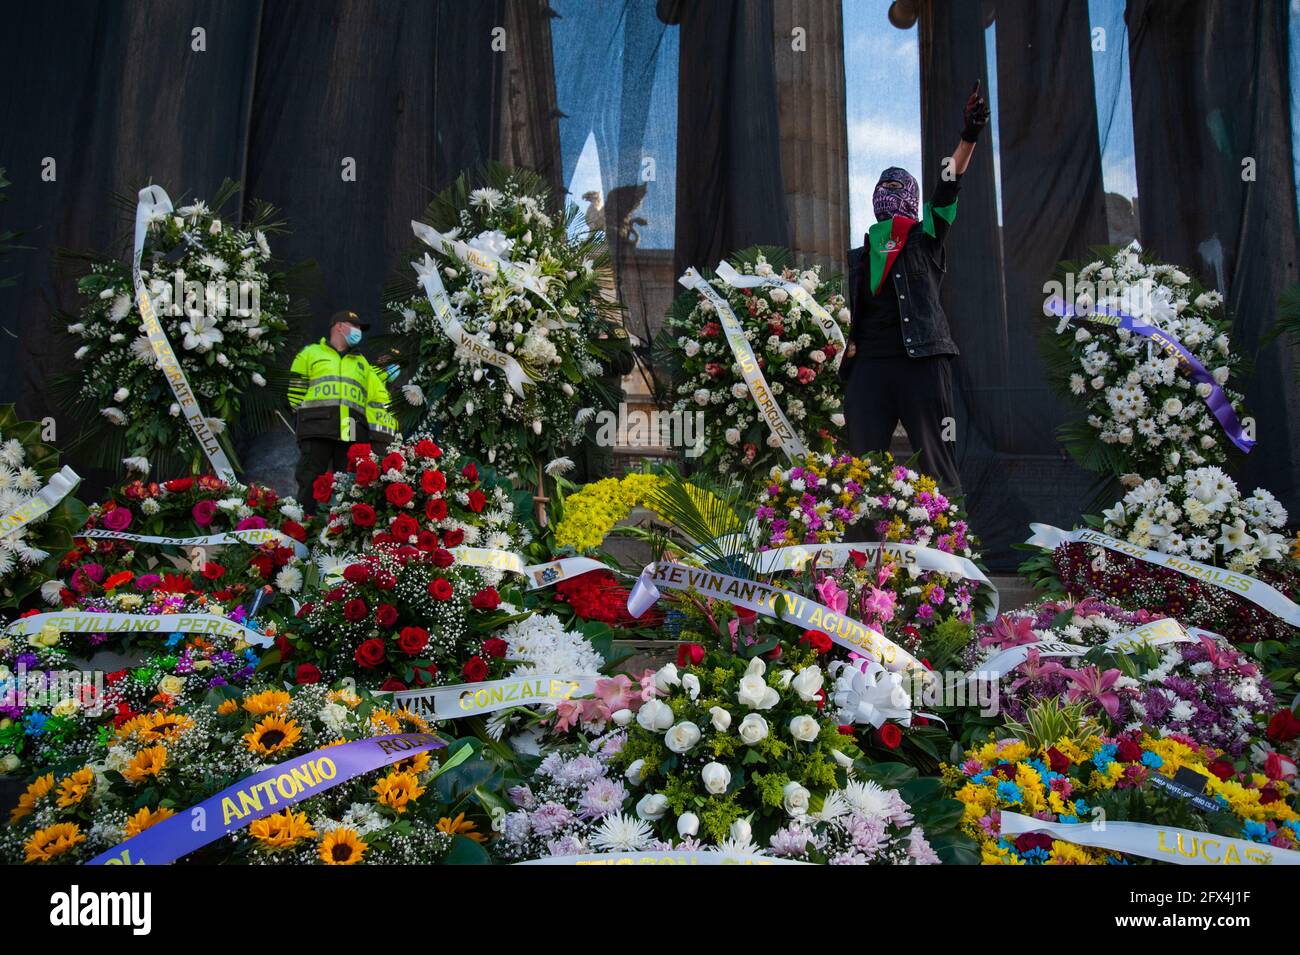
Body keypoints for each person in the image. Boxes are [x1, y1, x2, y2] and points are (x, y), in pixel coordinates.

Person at [841, 82, 989, 495]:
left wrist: (968, 137)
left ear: (911, 197)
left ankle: (947, 556)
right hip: (870, 364)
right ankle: (859, 553)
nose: (889, 192)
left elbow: (949, 183)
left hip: (921, 360)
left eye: (897, 187)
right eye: (883, 188)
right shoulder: (860, 253)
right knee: (858, 473)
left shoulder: (927, 234)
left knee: (937, 466)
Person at [287, 310, 398, 509]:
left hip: (350, 428)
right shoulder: (310, 353)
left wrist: (391, 367)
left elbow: (375, 386)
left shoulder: (361, 362)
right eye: (355, 326)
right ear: (339, 326)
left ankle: (339, 533)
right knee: (310, 479)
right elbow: (295, 393)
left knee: (349, 484)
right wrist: (304, 419)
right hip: (316, 425)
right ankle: (303, 526)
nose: (358, 331)